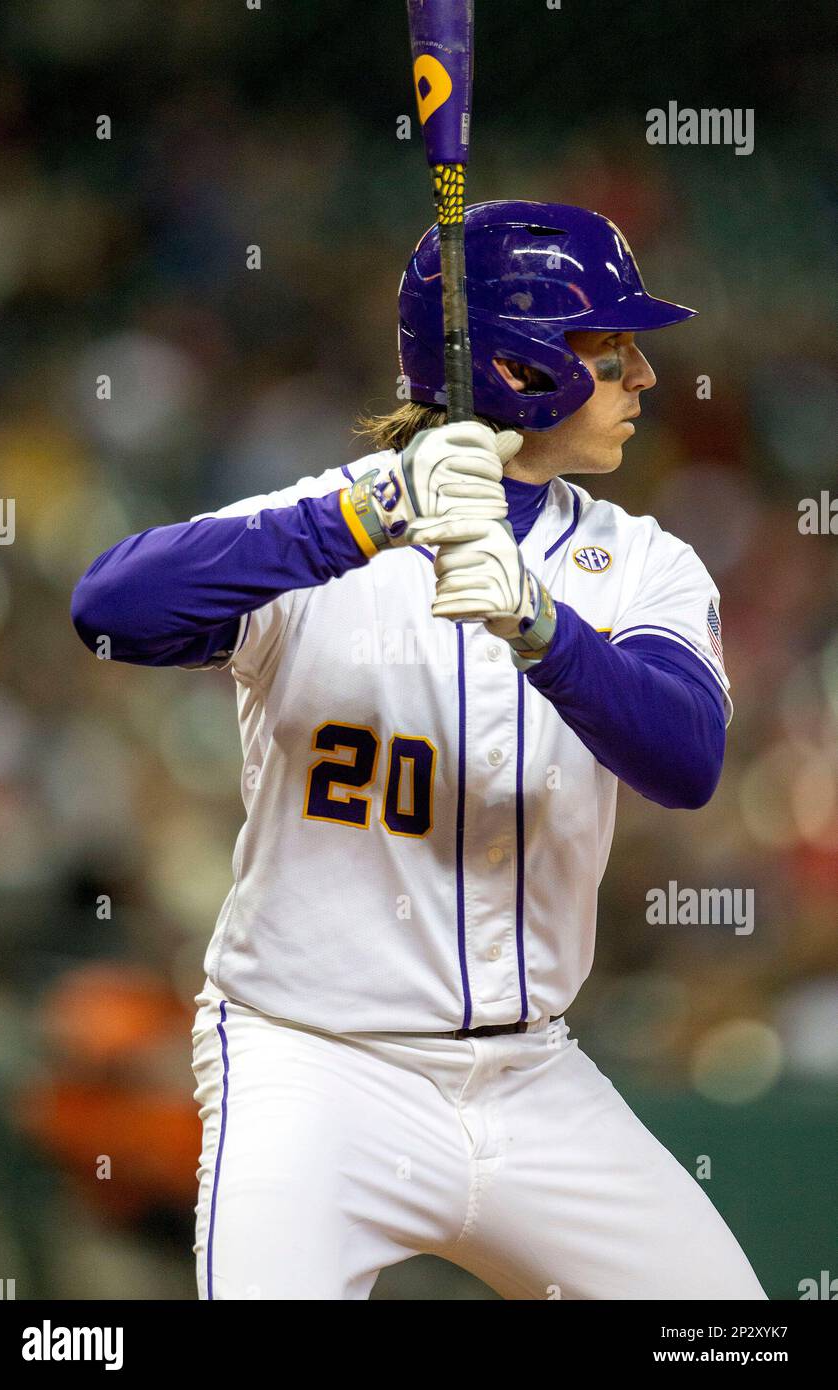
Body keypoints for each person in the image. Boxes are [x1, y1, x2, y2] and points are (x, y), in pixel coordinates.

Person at [71, 201, 767, 1300]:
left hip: (530, 1074)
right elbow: (109, 608)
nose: (642, 376)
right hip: (313, 1065)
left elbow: (683, 762)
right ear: (521, 366)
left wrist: (545, 628)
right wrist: (364, 515)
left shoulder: (641, 564)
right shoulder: (324, 530)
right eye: (608, 347)